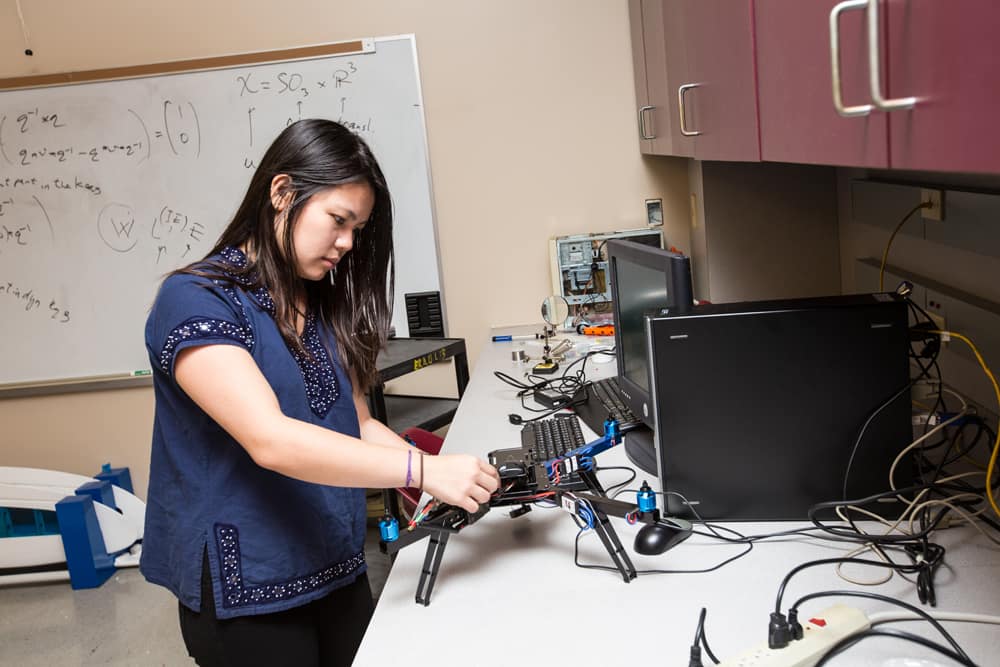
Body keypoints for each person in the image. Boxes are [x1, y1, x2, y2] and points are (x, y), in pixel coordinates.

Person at [141, 118, 499, 667]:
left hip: (332, 561)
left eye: (357, 228)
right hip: (249, 594)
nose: (347, 243)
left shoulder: (319, 302)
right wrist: (421, 472)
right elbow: (271, 440)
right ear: (282, 193)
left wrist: (450, 478)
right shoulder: (195, 299)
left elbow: (354, 422)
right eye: (338, 220)